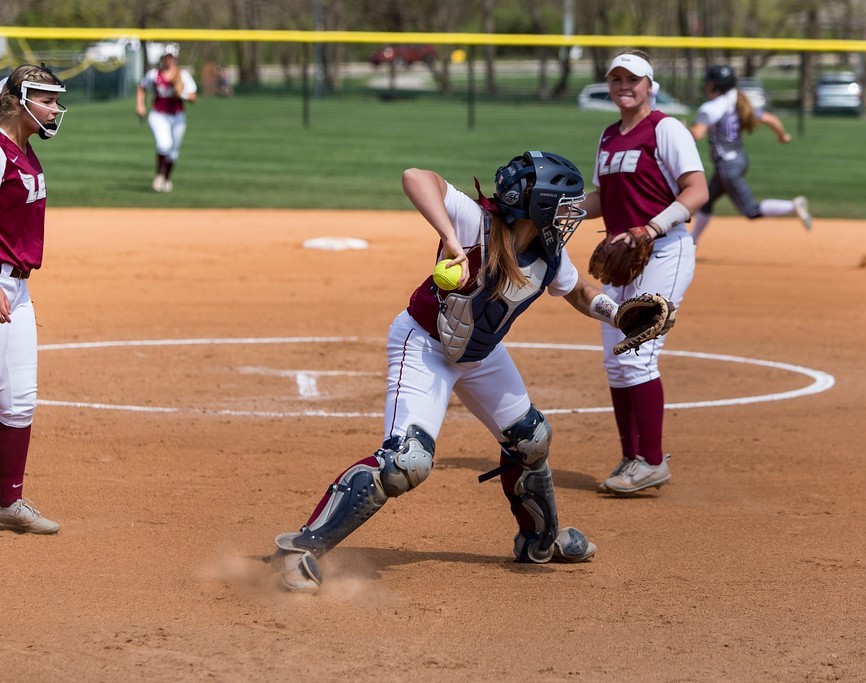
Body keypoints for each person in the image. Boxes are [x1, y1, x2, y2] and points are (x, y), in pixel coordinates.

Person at [271, 150, 651, 594]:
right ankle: (298, 549)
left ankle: (539, 542)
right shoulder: (477, 223)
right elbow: (416, 175)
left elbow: (580, 291)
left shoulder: (548, 254)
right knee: (405, 462)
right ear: (540, 207)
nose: (573, 214)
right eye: (565, 205)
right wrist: (450, 237)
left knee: (532, 440)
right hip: (425, 345)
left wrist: (618, 314)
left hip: (481, 356)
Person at [579, 49, 709, 495]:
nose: (623, 86)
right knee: (617, 364)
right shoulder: (609, 135)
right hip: (621, 258)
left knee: (636, 355)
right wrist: (567, 210)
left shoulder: (666, 129)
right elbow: (602, 197)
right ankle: (633, 457)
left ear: (649, 85)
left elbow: (697, 189)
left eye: (632, 79)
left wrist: (652, 227)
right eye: (616, 79)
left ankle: (652, 461)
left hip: (664, 253)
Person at [0, 64, 68, 535]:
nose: (55, 108)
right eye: (46, 99)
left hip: (18, 287)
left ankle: (8, 502)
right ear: (18, 101)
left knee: (20, 400)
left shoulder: (23, 152)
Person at [687, 64, 813, 245]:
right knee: (707, 202)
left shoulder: (711, 108)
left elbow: (697, 134)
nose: (706, 86)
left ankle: (793, 206)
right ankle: (693, 242)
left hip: (727, 166)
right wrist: (782, 135)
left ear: (717, 85)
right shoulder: (737, 103)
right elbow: (769, 118)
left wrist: (680, 131)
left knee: (751, 211)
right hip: (739, 160)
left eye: (709, 83)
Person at [135, 43, 197, 193]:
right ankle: (159, 175)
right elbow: (141, 87)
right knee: (164, 144)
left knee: (173, 152)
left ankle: (166, 178)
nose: (168, 60)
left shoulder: (183, 75)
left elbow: (193, 97)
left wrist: (180, 94)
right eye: (166, 57)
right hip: (158, 115)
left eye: (171, 57)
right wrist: (140, 105)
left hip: (177, 117)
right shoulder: (154, 74)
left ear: (175, 58)